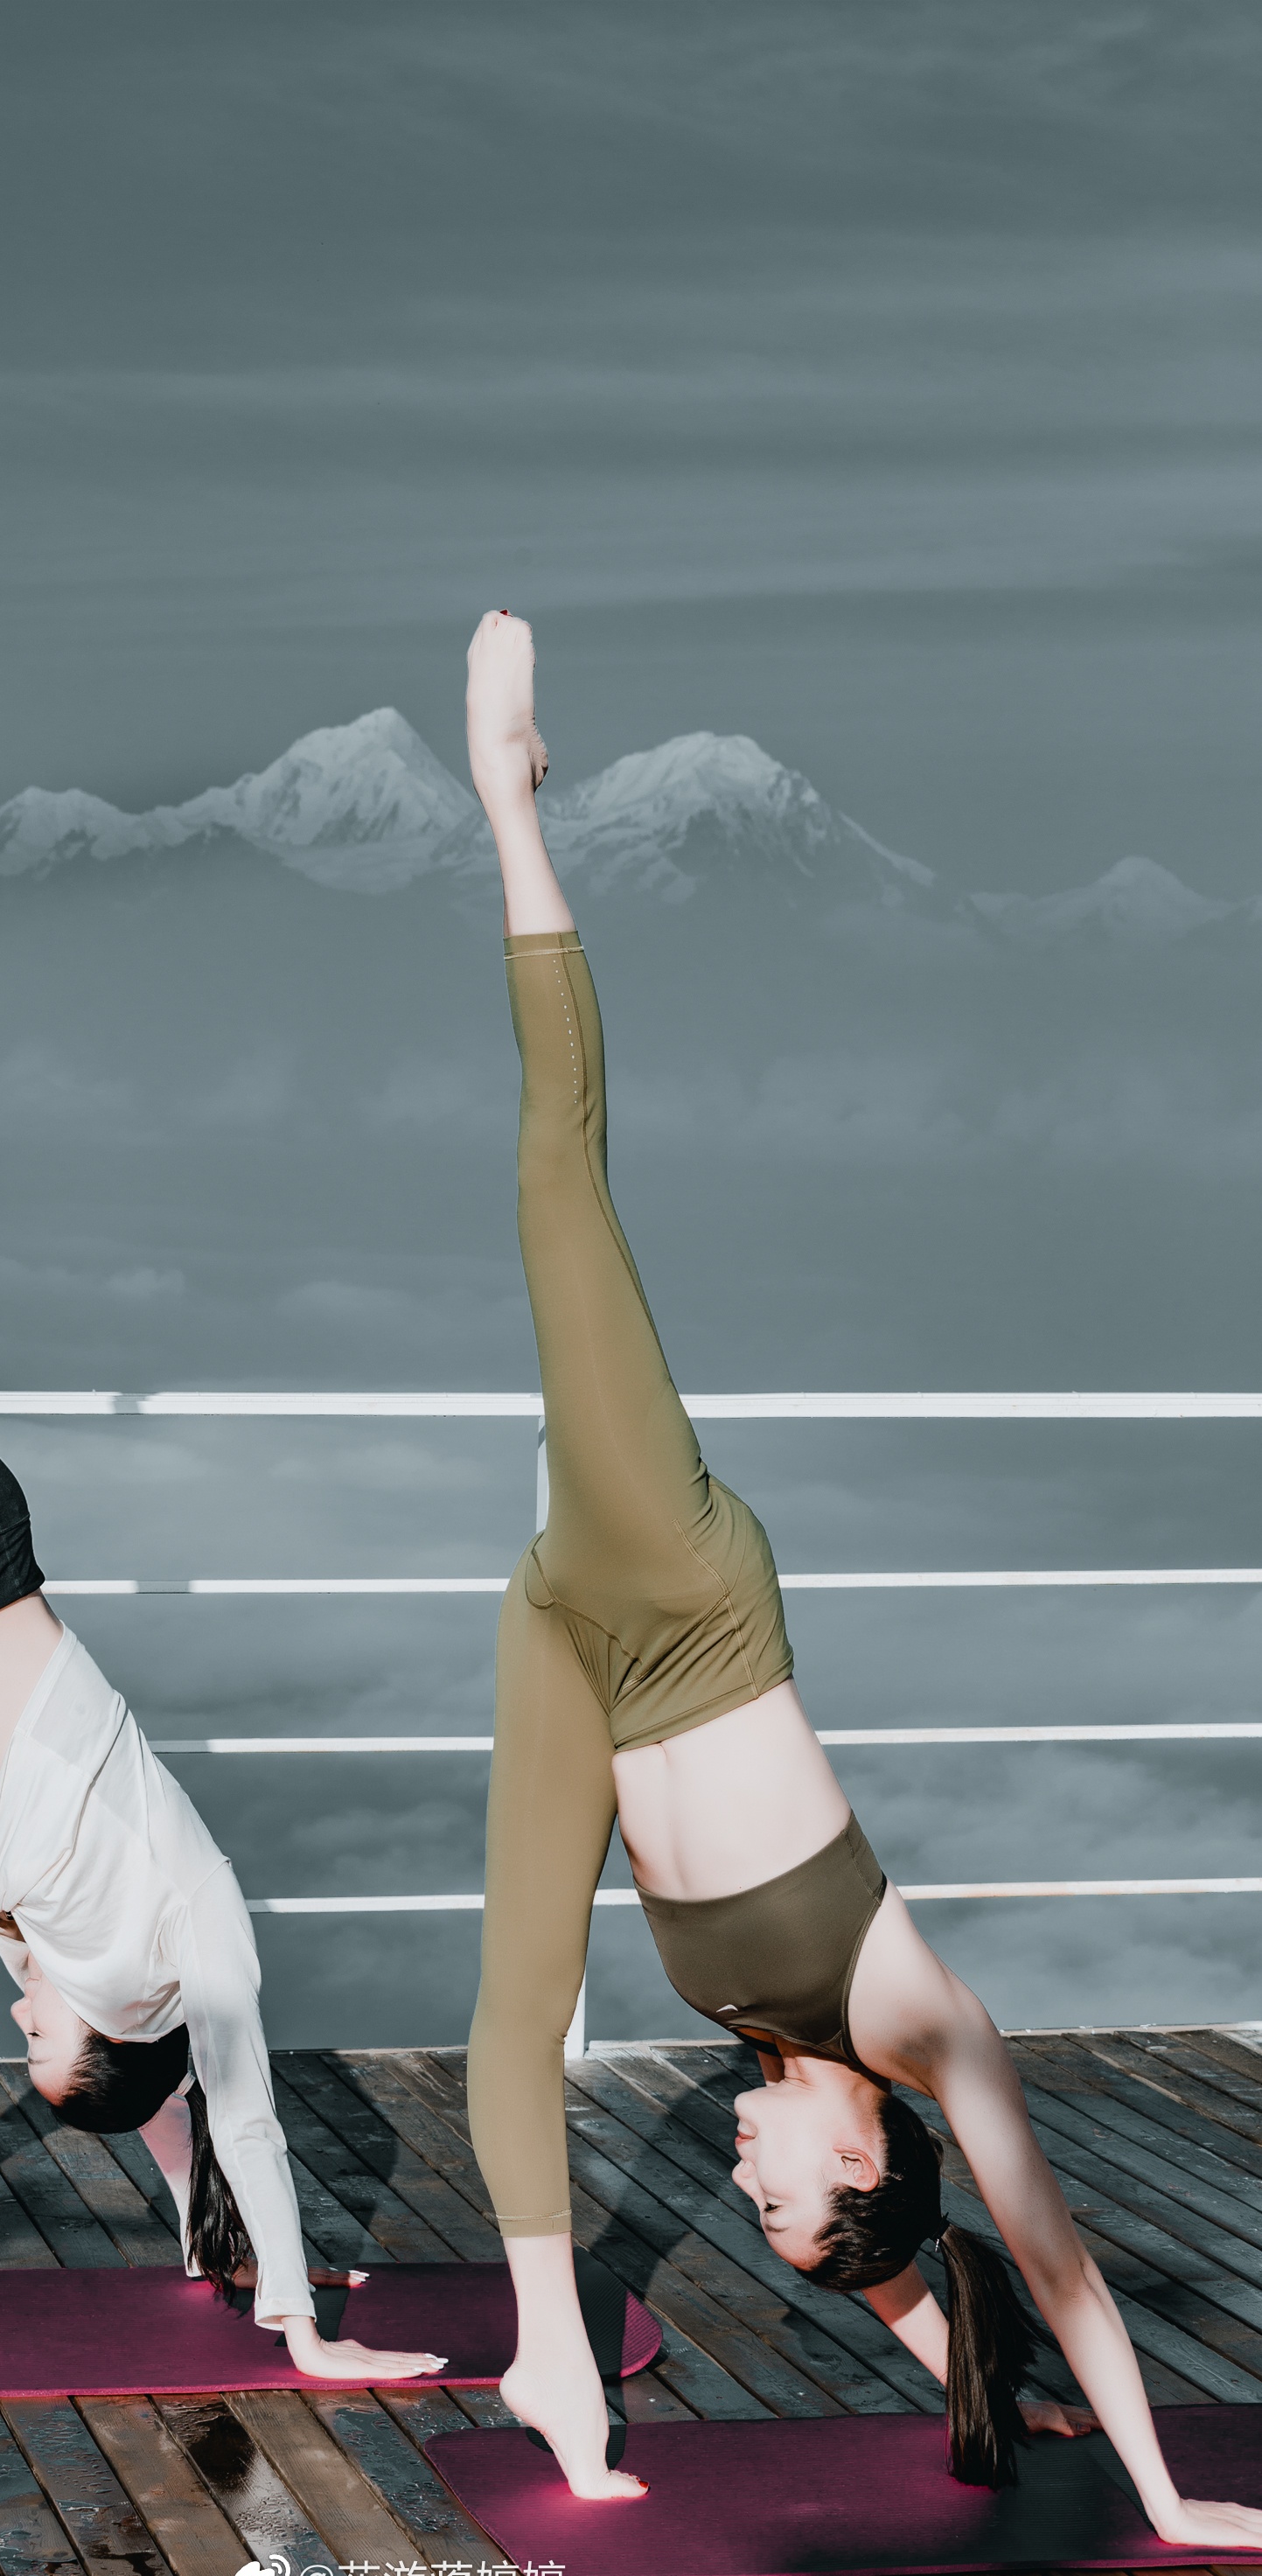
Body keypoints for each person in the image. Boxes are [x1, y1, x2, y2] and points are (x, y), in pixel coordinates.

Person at [457, 611, 1262, 2550]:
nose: (742, 2178)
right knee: (556, 1179)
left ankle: (546, 2346)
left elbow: (926, 2283)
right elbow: (1047, 2254)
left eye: (744, 2211)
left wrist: (974, 2386)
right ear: (868, 2139)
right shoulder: (917, 2023)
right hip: (682, 1590)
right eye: (780, 2191)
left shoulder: (802, 2084)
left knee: (505, 2010)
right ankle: (507, 795)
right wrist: (1170, 2499)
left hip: (571, 1638)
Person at [0, 664, 444, 2384]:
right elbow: (241, 2094)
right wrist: (296, 2325)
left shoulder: (82, 1975)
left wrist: (183, 2191)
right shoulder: (183, 1921)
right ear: (109, 2030)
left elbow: (166, 2091)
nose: (15, 2021)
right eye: (37, 2044)